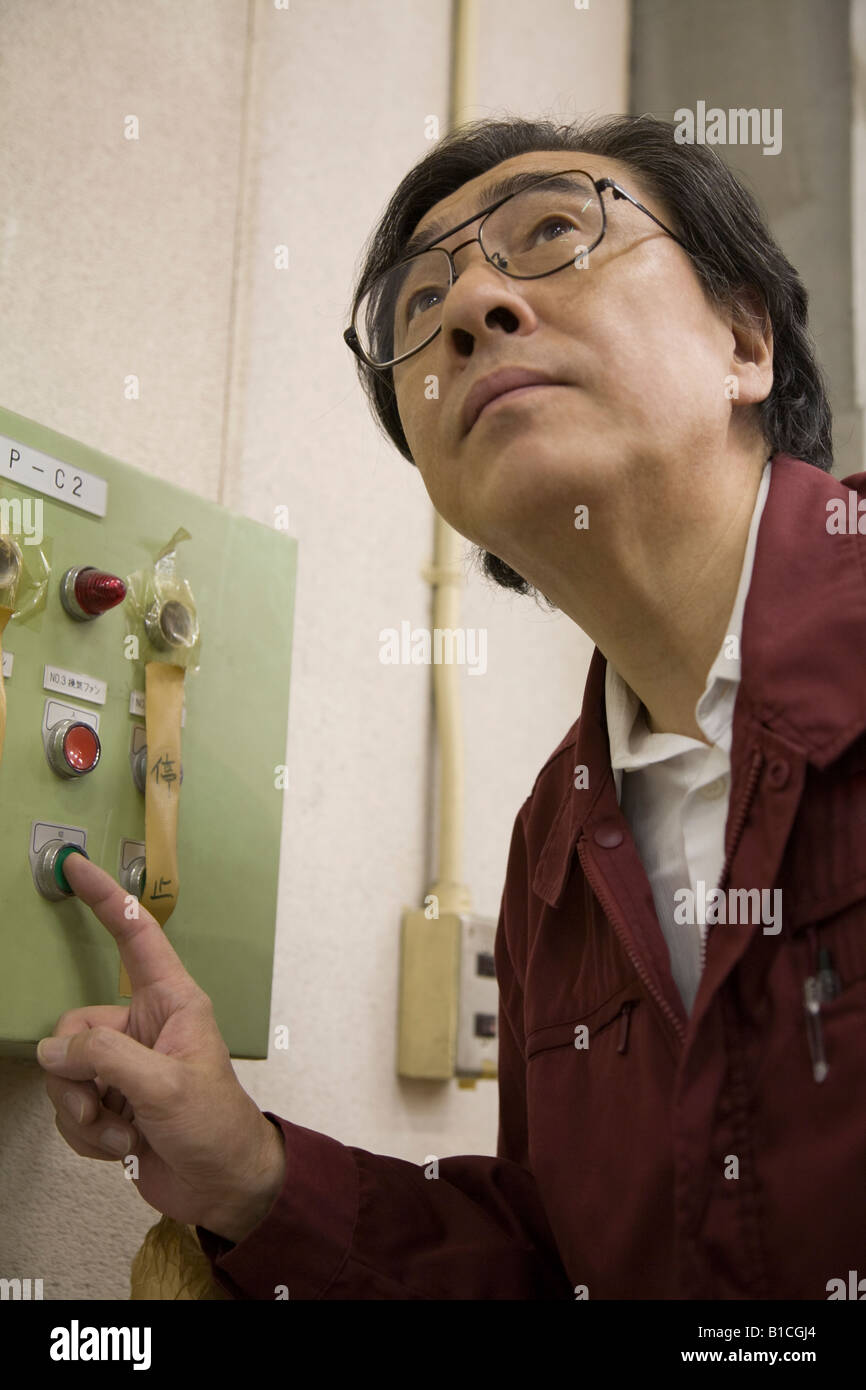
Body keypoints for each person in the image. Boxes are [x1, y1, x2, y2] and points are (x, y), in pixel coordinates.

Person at [39, 115, 866, 1300]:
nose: (473, 305)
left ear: (743, 340)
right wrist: (255, 1179)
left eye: (552, 233)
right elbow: (559, 1268)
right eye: (421, 308)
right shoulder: (555, 848)